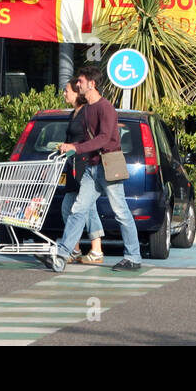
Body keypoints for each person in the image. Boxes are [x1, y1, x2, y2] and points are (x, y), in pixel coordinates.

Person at [56, 64, 142, 271]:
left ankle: (133, 257)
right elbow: (87, 139)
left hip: (109, 164)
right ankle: (62, 253)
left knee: (120, 211)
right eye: (78, 81)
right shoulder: (87, 109)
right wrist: (72, 148)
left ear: (92, 84)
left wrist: (76, 148)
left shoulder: (105, 108)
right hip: (92, 167)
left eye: (81, 81)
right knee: (78, 209)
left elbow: (105, 138)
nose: (78, 84)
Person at [58, 79, 104, 264]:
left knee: (81, 207)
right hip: (73, 164)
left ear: (78, 93)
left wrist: (74, 148)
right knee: (76, 207)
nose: (64, 94)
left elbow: (89, 139)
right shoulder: (74, 113)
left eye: (67, 91)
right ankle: (79, 249)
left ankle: (91, 249)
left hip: (84, 165)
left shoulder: (86, 112)